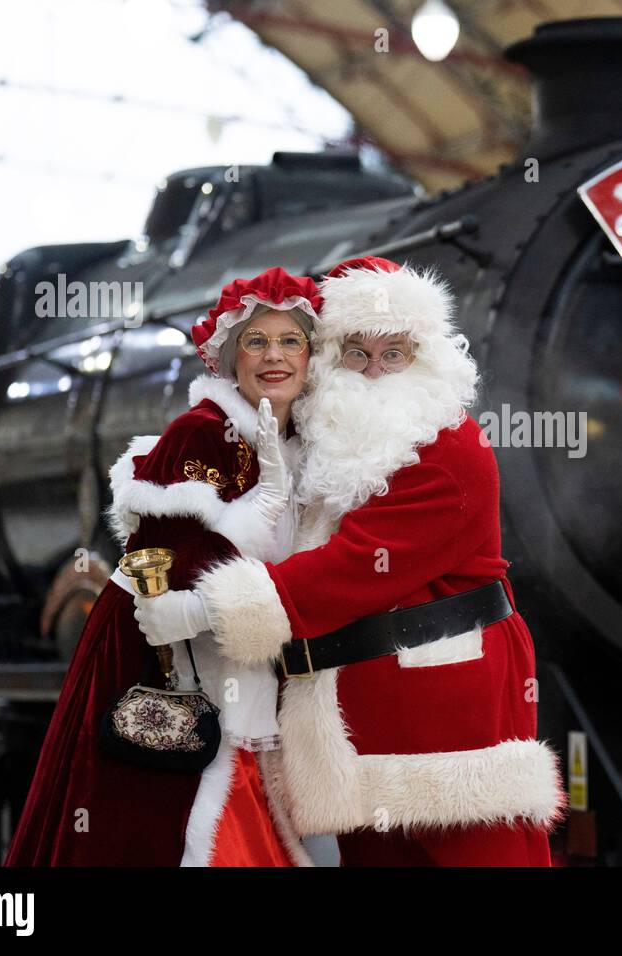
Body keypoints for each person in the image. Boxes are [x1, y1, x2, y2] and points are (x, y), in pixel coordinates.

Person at [134, 256, 568, 866]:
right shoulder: (330, 447)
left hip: (446, 720)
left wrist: (205, 607)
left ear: (426, 356)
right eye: (355, 353)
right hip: (358, 721)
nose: (372, 371)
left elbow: (355, 566)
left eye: (394, 354)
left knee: (484, 853)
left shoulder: (448, 448)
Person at [5, 267, 319, 866]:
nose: (274, 356)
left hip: (238, 672)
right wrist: (260, 510)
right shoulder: (200, 434)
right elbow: (174, 575)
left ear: (310, 356)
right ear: (230, 356)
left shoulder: (296, 441)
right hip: (160, 663)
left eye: (290, 341)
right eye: (256, 341)